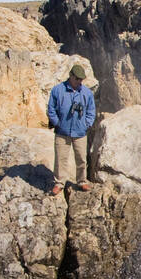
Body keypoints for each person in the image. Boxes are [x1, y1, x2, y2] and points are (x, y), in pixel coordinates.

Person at [47, 64, 97, 195]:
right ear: (71, 76)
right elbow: (51, 109)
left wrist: (87, 124)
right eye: (77, 79)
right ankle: (59, 182)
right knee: (60, 158)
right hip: (62, 131)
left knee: (81, 158)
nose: (79, 82)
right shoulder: (57, 90)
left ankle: (82, 181)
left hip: (80, 132)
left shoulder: (87, 93)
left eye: (81, 80)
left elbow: (91, 111)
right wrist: (57, 122)